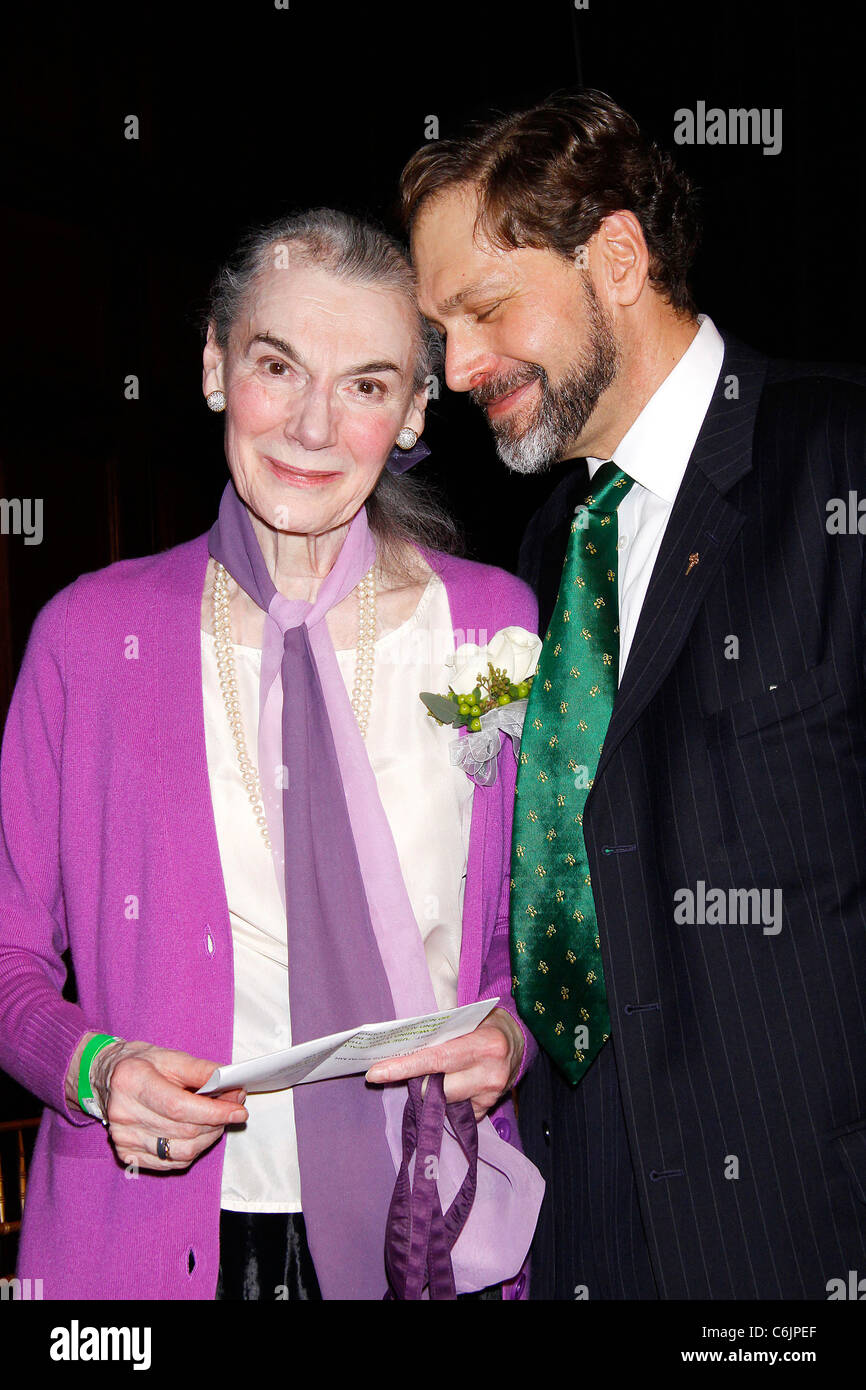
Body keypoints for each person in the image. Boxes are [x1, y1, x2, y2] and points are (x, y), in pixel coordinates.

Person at [0, 208, 544, 1300]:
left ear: (412, 410)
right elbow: (9, 959)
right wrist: (95, 1068)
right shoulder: (88, 637)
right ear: (212, 365)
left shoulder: (495, 628)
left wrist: (512, 1040)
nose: (310, 425)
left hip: (425, 1225)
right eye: (276, 364)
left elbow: (521, 944)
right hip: (154, 1239)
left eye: (366, 383)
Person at [400, 90, 866, 1299]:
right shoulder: (548, 552)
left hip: (800, 1234)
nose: (454, 369)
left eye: (484, 309)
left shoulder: (837, 459)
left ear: (615, 255)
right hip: (585, 1225)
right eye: (438, 330)